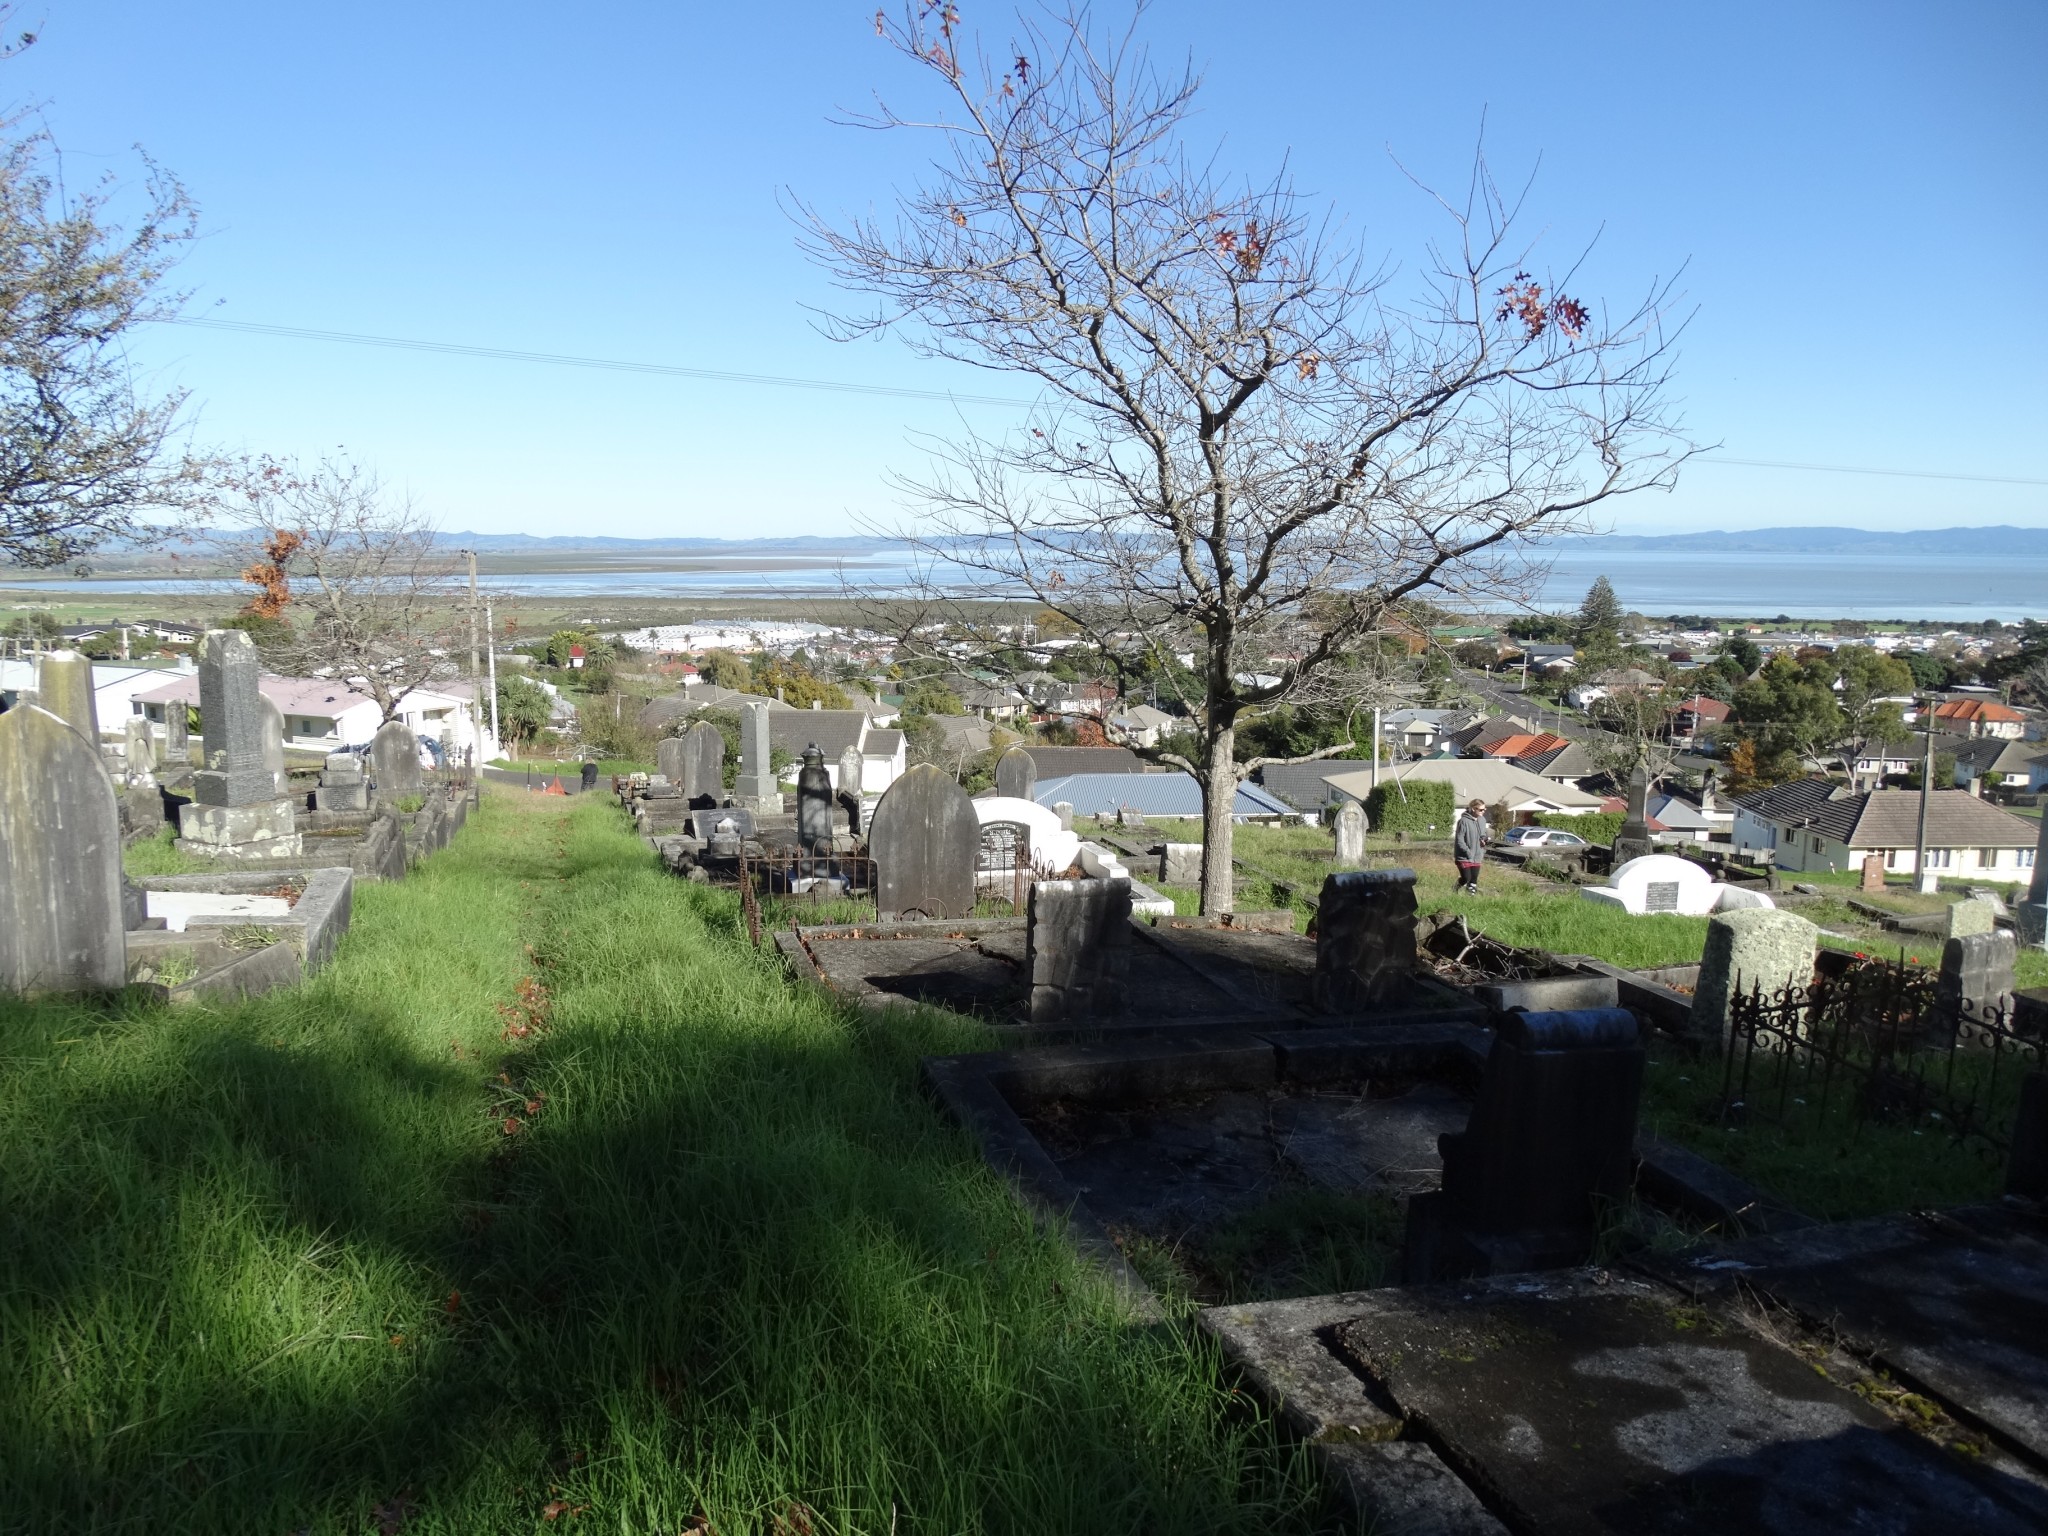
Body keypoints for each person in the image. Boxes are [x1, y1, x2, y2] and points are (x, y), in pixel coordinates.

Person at [1454, 798, 1490, 892]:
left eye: (1484, 809)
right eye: (1481, 810)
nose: (1483, 811)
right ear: (1473, 809)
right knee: (1466, 878)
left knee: (1473, 881)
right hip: (1464, 856)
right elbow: (1459, 840)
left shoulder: (1482, 820)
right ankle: (1455, 888)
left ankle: (1470, 898)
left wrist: (1484, 840)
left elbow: (1483, 834)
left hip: (1477, 855)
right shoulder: (1463, 821)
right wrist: (1468, 852)